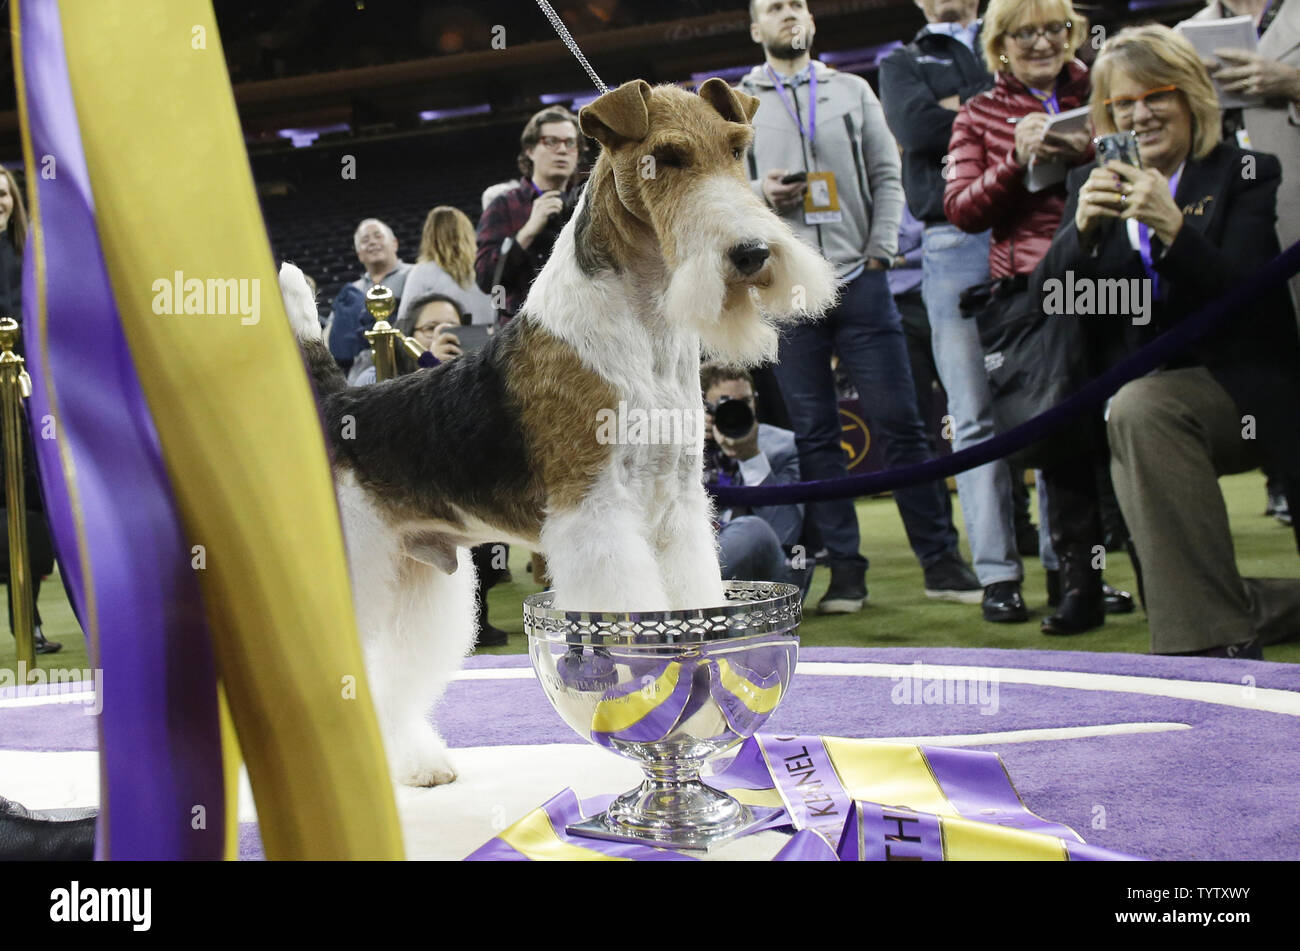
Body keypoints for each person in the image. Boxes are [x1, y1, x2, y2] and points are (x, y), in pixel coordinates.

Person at [1037, 24, 1300, 657]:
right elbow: (1051, 302)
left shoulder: (1245, 173)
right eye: (1121, 104)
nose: (1140, 113)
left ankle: (1206, 648)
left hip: (1247, 386)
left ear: (1190, 99)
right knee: (1138, 409)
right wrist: (1080, 235)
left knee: (1140, 408)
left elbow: (1250, 298)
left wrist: (1177, 231)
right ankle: (1229, 618)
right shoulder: (1088, 185)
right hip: (1147, 401)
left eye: (1156, 95)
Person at [740, 0, 982, 614]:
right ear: (756, 29)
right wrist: (758, 194)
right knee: (816, 435)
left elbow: (888, 171)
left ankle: (941, 561)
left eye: (796, 4)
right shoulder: (737, 103)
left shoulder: (852, 89)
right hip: (786, 286)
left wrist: (880, 252)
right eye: (774, 8)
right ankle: (846, 573)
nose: (788, 14)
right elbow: (724, 191)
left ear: (811, 21)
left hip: (860, 278)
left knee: (902, 422)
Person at [944, 0, 1129, 636]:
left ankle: (1135, 569)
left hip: (1121, 271)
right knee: (1063, 442)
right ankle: (1078, 584)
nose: (1043, 42)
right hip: (1034, 293)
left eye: (1055, 28)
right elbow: (961, 208)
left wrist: (1095, 145)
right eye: (1026, 32)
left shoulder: (1108, 84)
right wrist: (1015, 163)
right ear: (1000, 44)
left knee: (1132, 421)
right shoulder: (979, 113)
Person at [881, 0, 1045, 623]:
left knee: (1053, 402)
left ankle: (1065, 566)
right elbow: (918, 128)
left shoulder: (1017, 36)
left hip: (1033, 227)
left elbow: (1045, 114)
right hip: (951, 237)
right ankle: (999, 575)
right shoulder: (900, 60)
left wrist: (958, 109)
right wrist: (993, 110)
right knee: (972, 416)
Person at [475, 106, 584, 321]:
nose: (562, 150)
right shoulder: (504, 204)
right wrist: (526, 233)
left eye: (570, 143)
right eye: (551, 141)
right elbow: (486, 278)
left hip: (581, 330)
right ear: (530, 150)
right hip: (523, 335)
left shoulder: (586, 205)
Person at [702, 363, 805, 590]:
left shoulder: (782, 446)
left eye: (746, 401)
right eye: (725, 403)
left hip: (765, 582)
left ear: (755, 401)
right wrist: (686, 445)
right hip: (699, 555)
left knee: (753, 529)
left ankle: (688, 590)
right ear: (703, 407)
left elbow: (784, 534)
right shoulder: (680, 443)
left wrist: (751, 458)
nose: (738, 409)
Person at [324, 218, 413, 372]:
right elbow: (331, 335)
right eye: (365, 240)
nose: (372, 242)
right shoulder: (350, 292)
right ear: (359, 254)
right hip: (357, 375)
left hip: (407, 367)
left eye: (378, 236)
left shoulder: (415, 275)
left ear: (394, 243)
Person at [396, 206, 494, 330]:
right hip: (492, 342)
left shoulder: (422, 272)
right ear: (468, 232)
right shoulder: (487, 266)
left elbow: (404, 322)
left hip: (448, 343)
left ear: (429, 235)